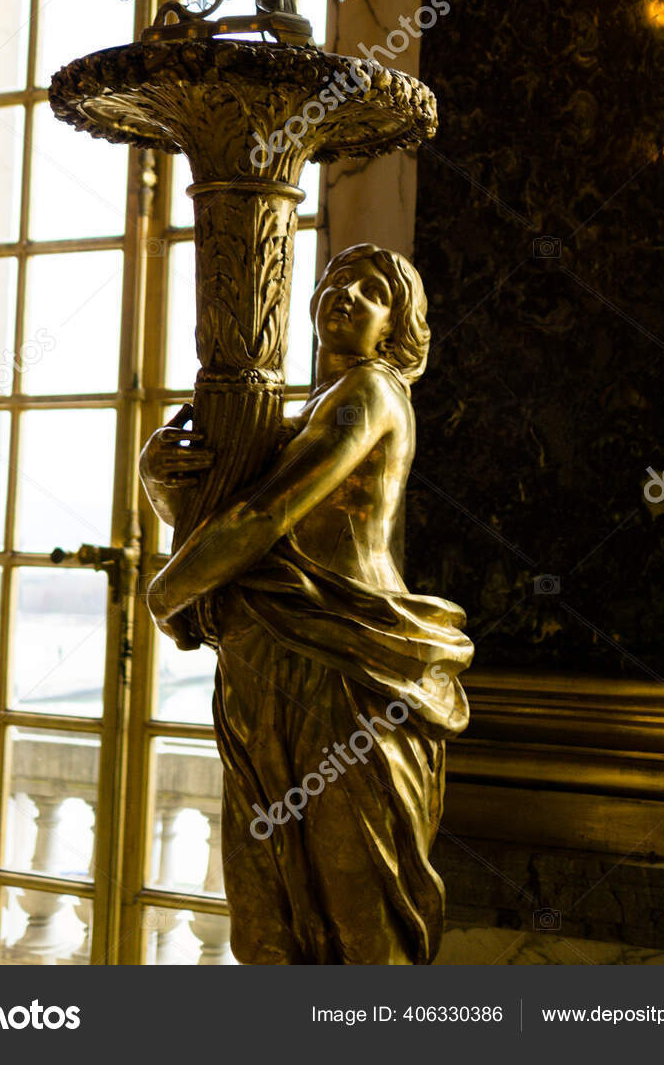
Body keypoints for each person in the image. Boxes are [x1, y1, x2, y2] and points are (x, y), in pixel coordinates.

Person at [140, 244, 473, 964]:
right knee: (267, 894)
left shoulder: (371, 394)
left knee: (355, 894)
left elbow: (262, 517)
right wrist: (159, 479)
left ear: (396, 324)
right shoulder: (308, 408)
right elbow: (222, 519)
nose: (344, 293)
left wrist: (166, 590)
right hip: (277, 651)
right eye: (332, 281)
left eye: (371, 290)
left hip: (352, 661)